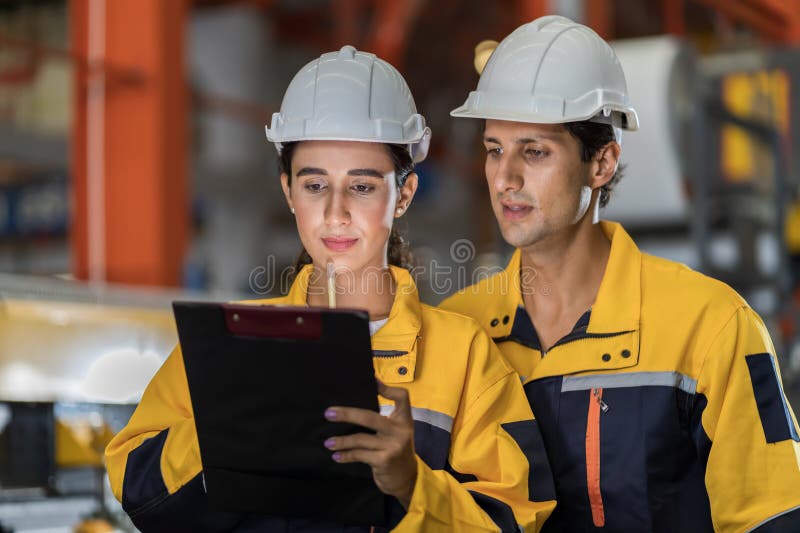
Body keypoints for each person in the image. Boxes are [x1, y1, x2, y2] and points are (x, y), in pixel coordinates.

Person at [105, 45, 555, 532]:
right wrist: (227, 422)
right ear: (287, 190)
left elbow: (517, 518)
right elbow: (136, 486)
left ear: (402, 195)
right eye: (315, 185)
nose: (336, 212)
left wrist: (412, 484)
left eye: (362, 186)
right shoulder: (234, 343)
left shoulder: (464, 357)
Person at [440, 15, 800, 532]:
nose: (505, 178)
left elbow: (774, 518)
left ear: (602, 162)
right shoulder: (457, 331)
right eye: (494, 150)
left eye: (534, 152)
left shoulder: (711, 327)